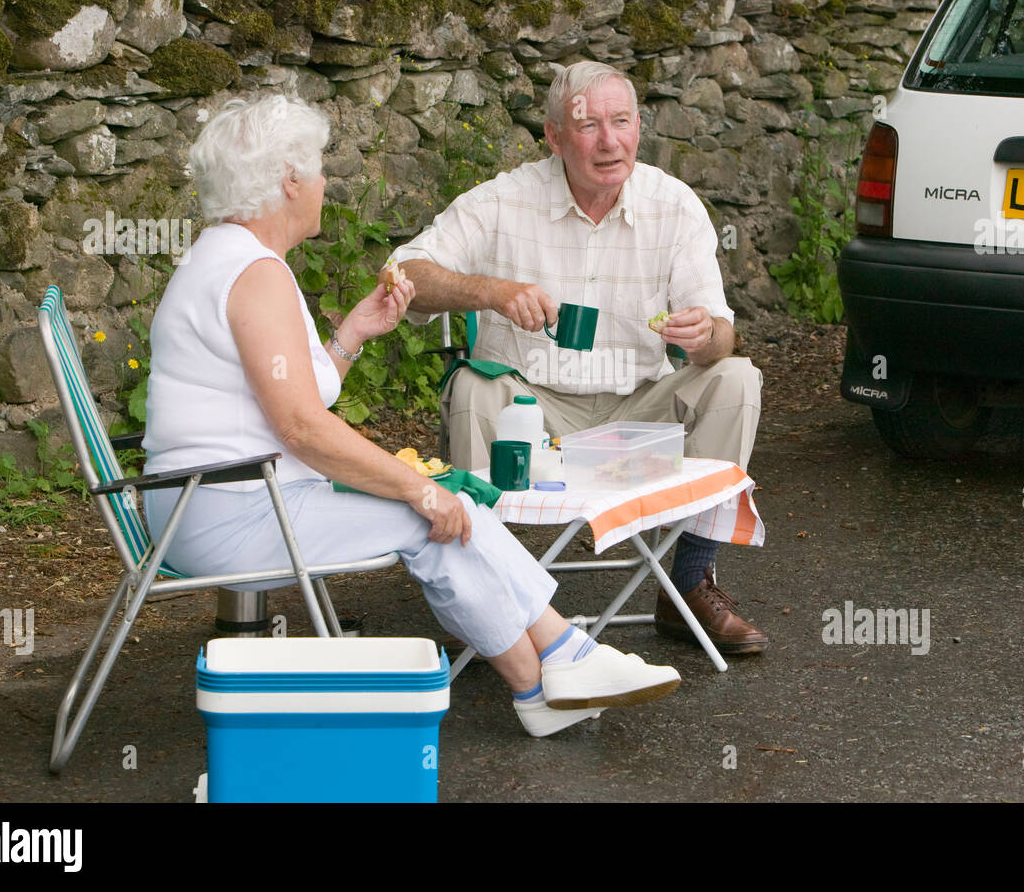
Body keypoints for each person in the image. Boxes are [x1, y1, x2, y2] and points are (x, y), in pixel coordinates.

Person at [139, 94, 681, 737]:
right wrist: (418, 489)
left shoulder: (225, 257)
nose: (322, 182)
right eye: (314, 168)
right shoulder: (255, 275)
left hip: (218, 496)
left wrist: (354, 334)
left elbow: (292, 400)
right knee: (429, 512)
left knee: (444, 502)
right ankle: (555, 668)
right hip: (229, 510)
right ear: (286, 180)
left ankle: (551, 673)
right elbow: (301, 428)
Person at [395, 61, 768, 655]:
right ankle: (489, 597)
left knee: (735, 378)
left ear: (639, 127)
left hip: (636, 415)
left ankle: (689, 583)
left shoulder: (673, 206)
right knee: (470, 387)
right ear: (553, 136)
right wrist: (491, 291)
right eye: (588, 125)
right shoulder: (504, 200)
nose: (608, 141)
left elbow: (722, 335)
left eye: (620, 122)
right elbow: (403, 272)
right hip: (531, 409)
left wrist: (707, 335)